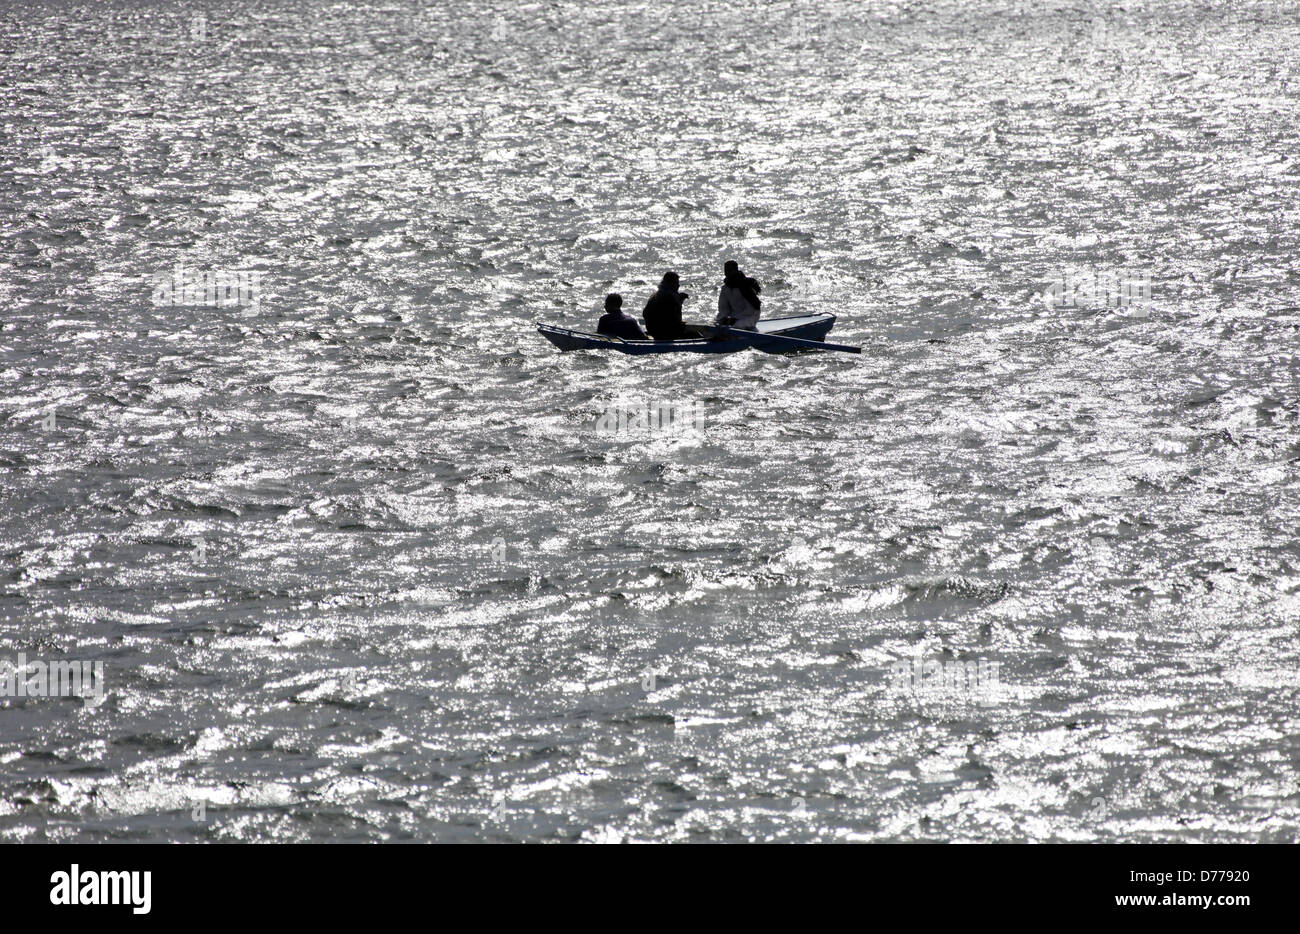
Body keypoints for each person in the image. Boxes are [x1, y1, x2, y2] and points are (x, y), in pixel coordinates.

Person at [642, 271, 692, 340]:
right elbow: (673, 320)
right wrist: (679, 303)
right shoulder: (669, 297)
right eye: (676, 283)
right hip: (665, 333)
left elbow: (645, 314)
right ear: (670, 283)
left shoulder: (656, 294)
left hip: (653, 331)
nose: (678, 285)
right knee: (694, 334)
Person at [714, 260, 762, 330]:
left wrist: (735, 320)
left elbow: (753, 309)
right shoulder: (725, 289)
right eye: (726, 270)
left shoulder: (745, 286)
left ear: (735, 271)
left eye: (730, 270)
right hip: (735, 317)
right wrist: (721, 320)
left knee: (737, 327)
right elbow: (723, 309)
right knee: (717, 325)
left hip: (750, 316)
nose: (727, 273)